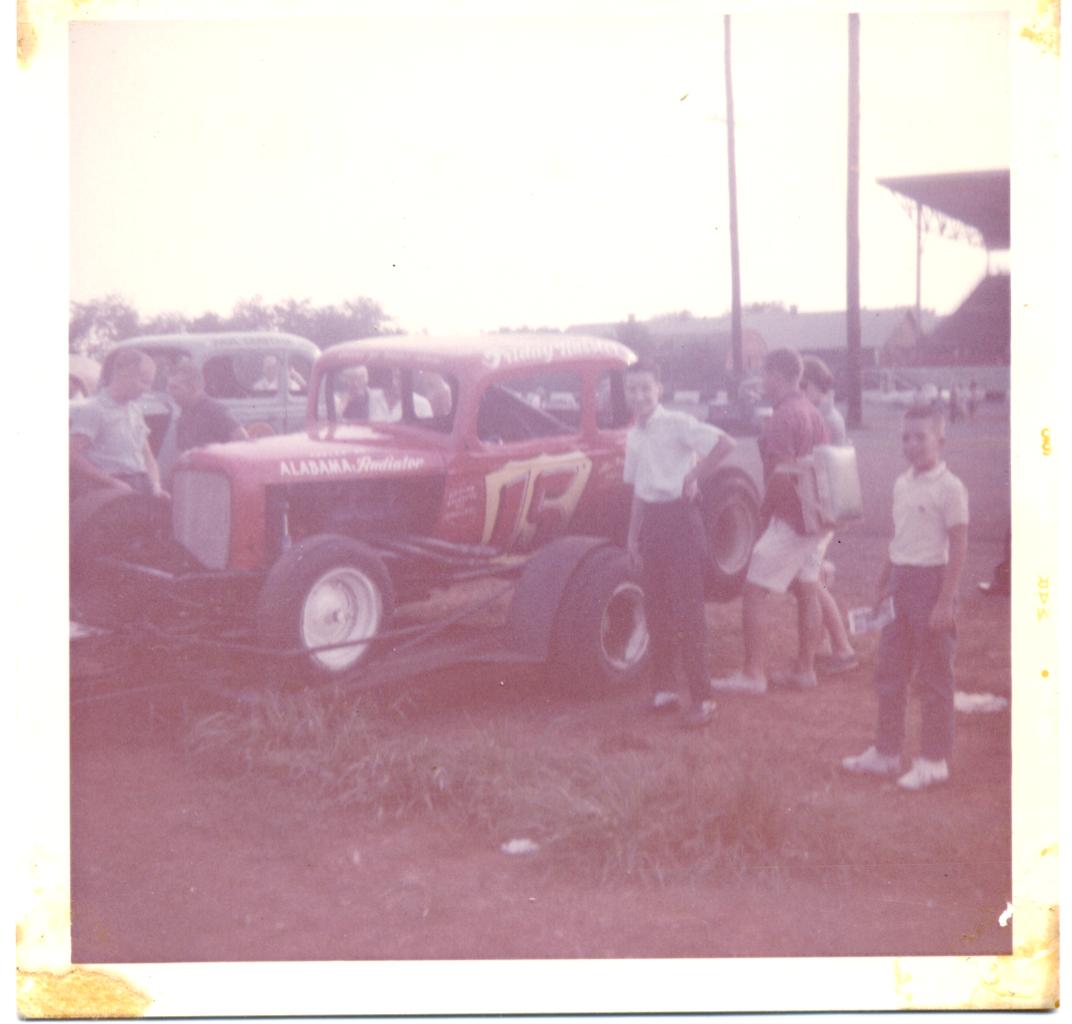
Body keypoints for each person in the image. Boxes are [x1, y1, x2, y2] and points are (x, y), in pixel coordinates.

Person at [841, 403, 968, 791]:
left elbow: (959, 546)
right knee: (890, 671)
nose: (911, 444)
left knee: (933, 676)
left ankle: (934, 760)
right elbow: (898, 538)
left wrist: (945, 601)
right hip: (900, 582)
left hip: (932, 586)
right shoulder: (902, 483)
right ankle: (886, 751)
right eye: (905, 437)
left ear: (940, 441)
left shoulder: (951, 488)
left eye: (920, 437)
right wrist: (884, 583)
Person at [710, 348, 829, 695]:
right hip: (814, 517)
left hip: (790, 517)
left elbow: (780, 475)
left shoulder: (781, 418)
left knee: (755, 589)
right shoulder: (812, 413)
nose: (762, 381)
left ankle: (753, 674)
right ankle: (805, 669)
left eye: (764, 374)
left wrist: (763, 514)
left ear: (777, 375)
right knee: (808, 588)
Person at [624, 360, 736, 727]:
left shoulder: (676, 424)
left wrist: (694, 474)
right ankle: (665, 689)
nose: (638, 396)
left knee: (688, 612)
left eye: (645, 388)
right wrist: (632, 536)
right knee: (657, 610)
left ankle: (703, 699)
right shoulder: (634, 434)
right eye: (631, 389)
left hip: (682, 522)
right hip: (652, 525)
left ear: (660, 388)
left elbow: (724, 443)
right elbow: (639, 490)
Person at [800, 356, 858, 674]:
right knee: (815, 577)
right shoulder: (826, 415)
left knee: (812, 581)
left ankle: (842, 647)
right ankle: (823, 642)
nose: (800, 392)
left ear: (819, 387)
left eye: (804, 386)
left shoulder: (827, 419)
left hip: (824, 509)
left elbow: (828, 469)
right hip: (825, 509)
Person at [70, 348, 165, 498]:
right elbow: (72, 455)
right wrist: (112, 483)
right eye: (144, 381)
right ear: (124, 373)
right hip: (109, 490)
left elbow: (147, 455)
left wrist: (156, 486)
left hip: (140, 485)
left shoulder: (135, 410)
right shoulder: (94, 409)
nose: (147, 390)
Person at [167, 361, 247, 453]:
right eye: (169, 387)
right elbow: (183, 453)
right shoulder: (184, 415)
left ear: (193, 388)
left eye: (174, 387)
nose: (169, 392)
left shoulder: (216, 411)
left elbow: (243, 442)